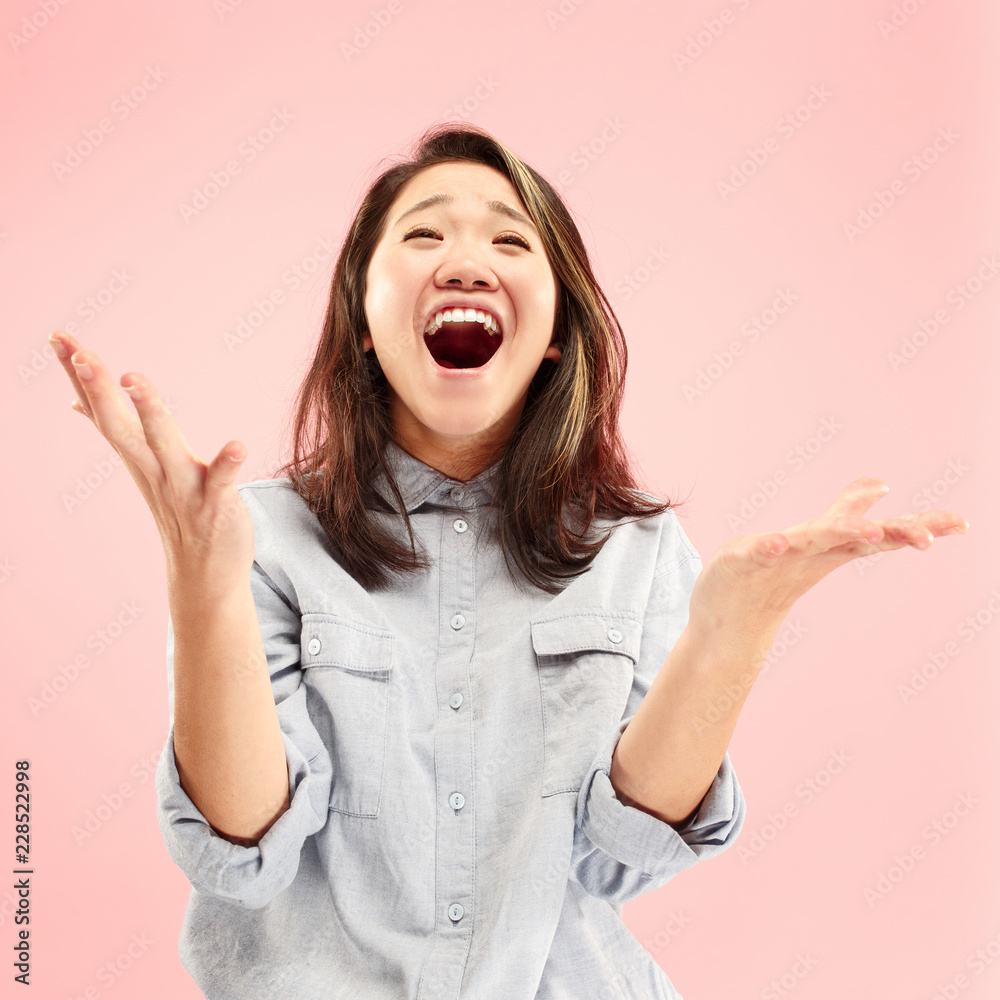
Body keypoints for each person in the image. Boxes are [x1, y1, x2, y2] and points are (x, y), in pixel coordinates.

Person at [49, 124, 968, 1000]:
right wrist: (202, 582)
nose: (463, 255)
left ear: (557, 332)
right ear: (364, 323)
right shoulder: (255, 539)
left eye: (510, 240)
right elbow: (244, 854)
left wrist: (738, 629)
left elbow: (622, 858)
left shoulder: (637, 551)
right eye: (422, 232)